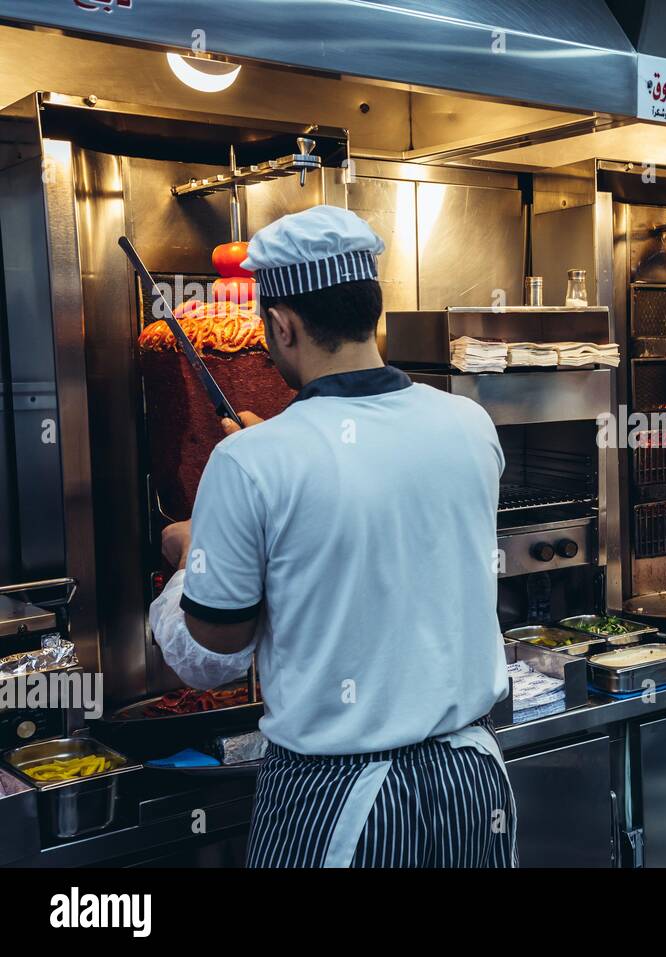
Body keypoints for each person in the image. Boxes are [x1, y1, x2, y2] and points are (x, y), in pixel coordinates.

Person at [148, 205, 516, 867]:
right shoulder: (468, 425)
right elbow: (381, 525)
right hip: (470, 787)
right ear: (371, 313)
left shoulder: (250, 463)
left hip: (338, 799)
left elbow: (215, 654)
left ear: (283, 325)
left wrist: (190, 553)